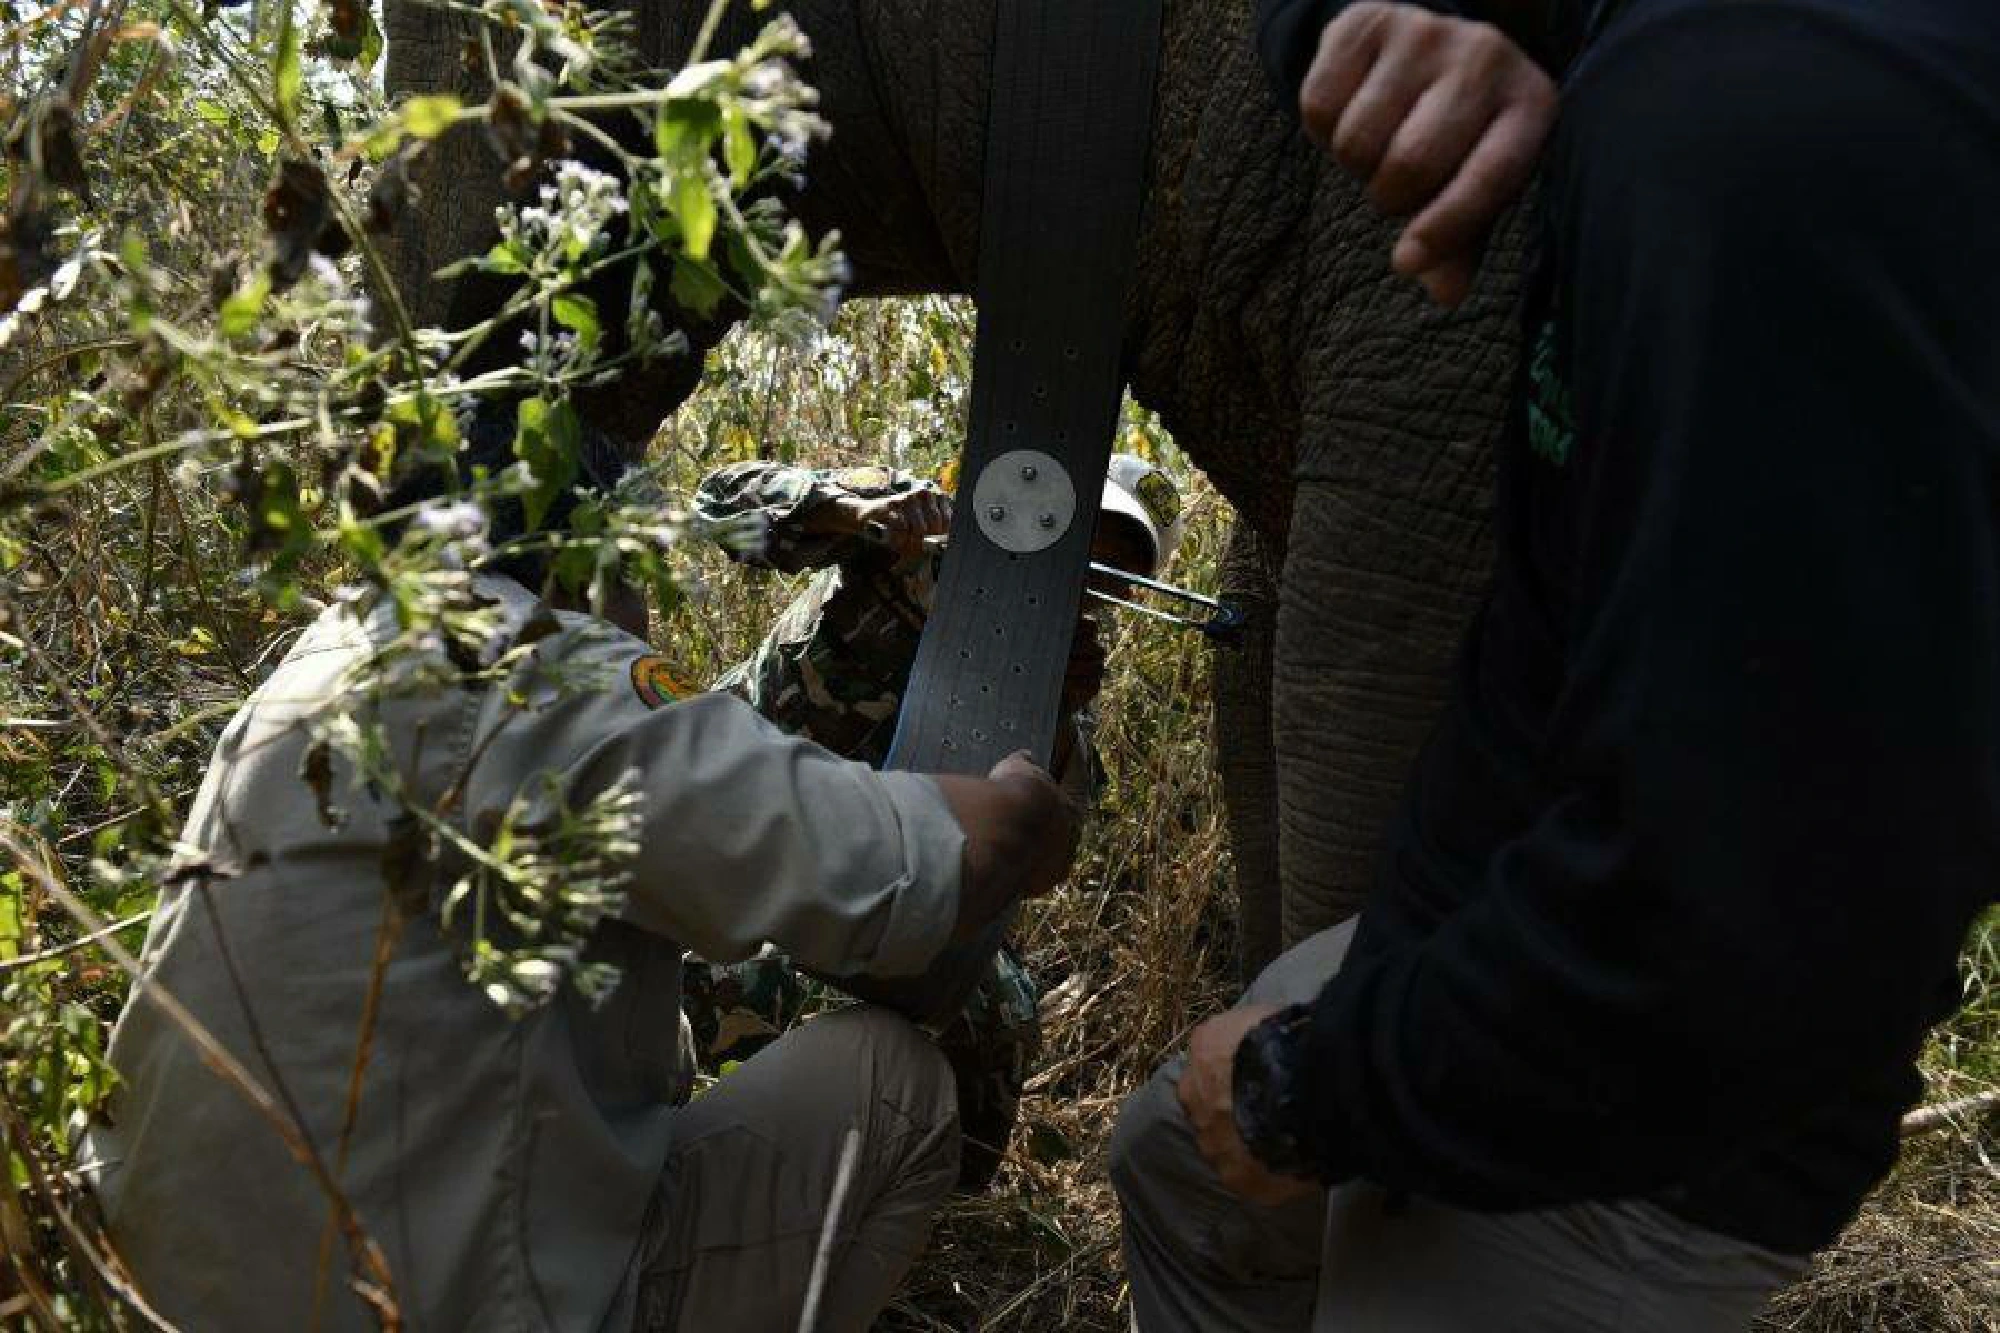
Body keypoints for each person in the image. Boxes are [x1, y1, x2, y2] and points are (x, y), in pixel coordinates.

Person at [1112, 1, 2000, 1329]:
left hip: (1649, 1118)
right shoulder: (1673, 80)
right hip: (1506, 940)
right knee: (1175, 1165)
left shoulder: (1760, 153)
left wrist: (1320, 1090)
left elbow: (1739, 924)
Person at [82, 406, 1080, 1333]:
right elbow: (923, 865)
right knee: (893, 1084)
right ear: (593, 557)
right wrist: (1022, 805)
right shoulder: (541, 665)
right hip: (437, 1303)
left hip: (162, 1294)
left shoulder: (318, 666)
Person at [684, 453, 1186, 1187]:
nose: (1085, 580)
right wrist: (850, 515)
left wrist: (1053, 719)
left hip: (866, 880)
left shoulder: (1069, 683)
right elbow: (719, 502)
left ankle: (921, 1206)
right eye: (1082, 542)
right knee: (715, 979)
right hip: (731, 822)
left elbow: (1042, 862)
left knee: (1002, 1016)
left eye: (1114, 575)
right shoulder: (923, 529)